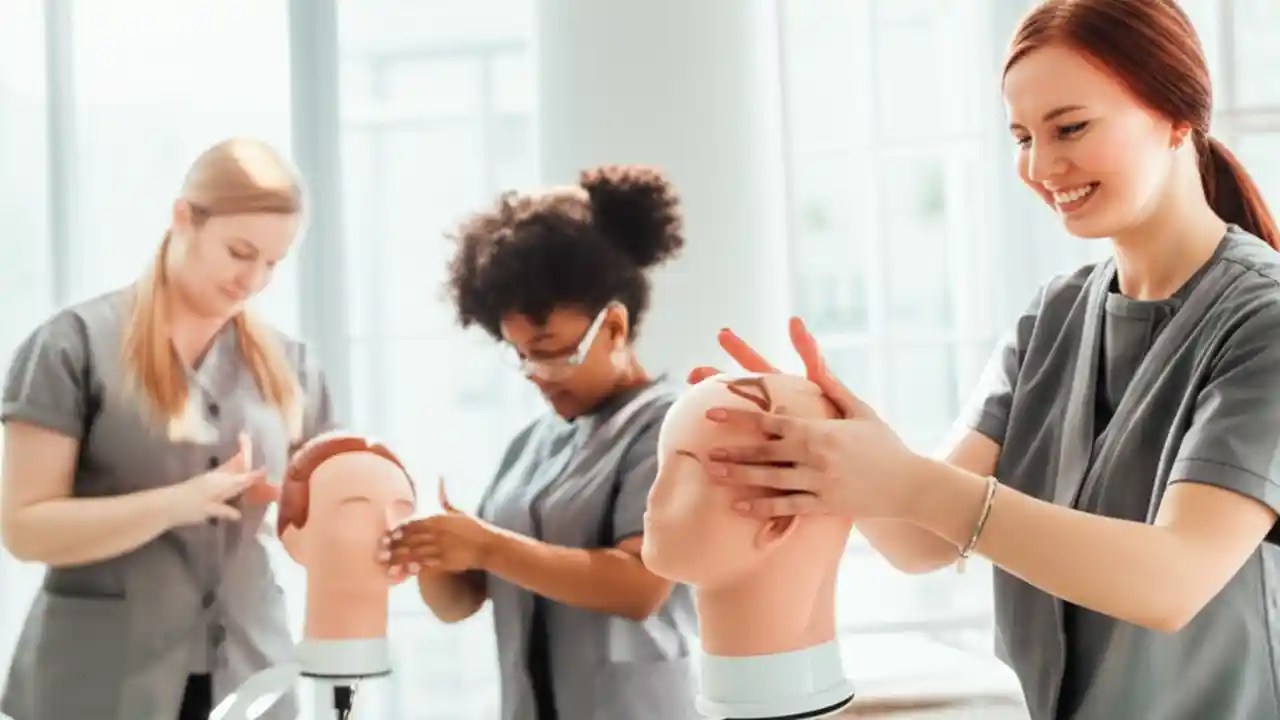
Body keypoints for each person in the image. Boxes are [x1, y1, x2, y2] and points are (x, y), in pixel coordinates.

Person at [689, 2, 1280, 719]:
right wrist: (823, 436)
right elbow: (918, 542)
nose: (1040, 166)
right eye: (1022, 137)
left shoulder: (1263, 323)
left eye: (1070, 128)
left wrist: (906, 480)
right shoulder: (1052, 318)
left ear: (1177, 116)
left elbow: (1173, 581)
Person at [0, 138, 335, 720]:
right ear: (183, 218)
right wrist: (179, 503)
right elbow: (25, 529)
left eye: (272, 263)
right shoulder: (71, 347)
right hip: (99, 685)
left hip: (250, 678)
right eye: (239, 252)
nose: (253, 279)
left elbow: (325, 514)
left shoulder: (292, 366)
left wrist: (331, 515)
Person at [380, 165, 700, 720]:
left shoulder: (669, 427)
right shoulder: (531, 446)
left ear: (615, 328)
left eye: (552, 352)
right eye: (523, 355)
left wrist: (487, 546)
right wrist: (432, 551)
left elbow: (640, 587)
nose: (536, 375)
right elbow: (462, 602)